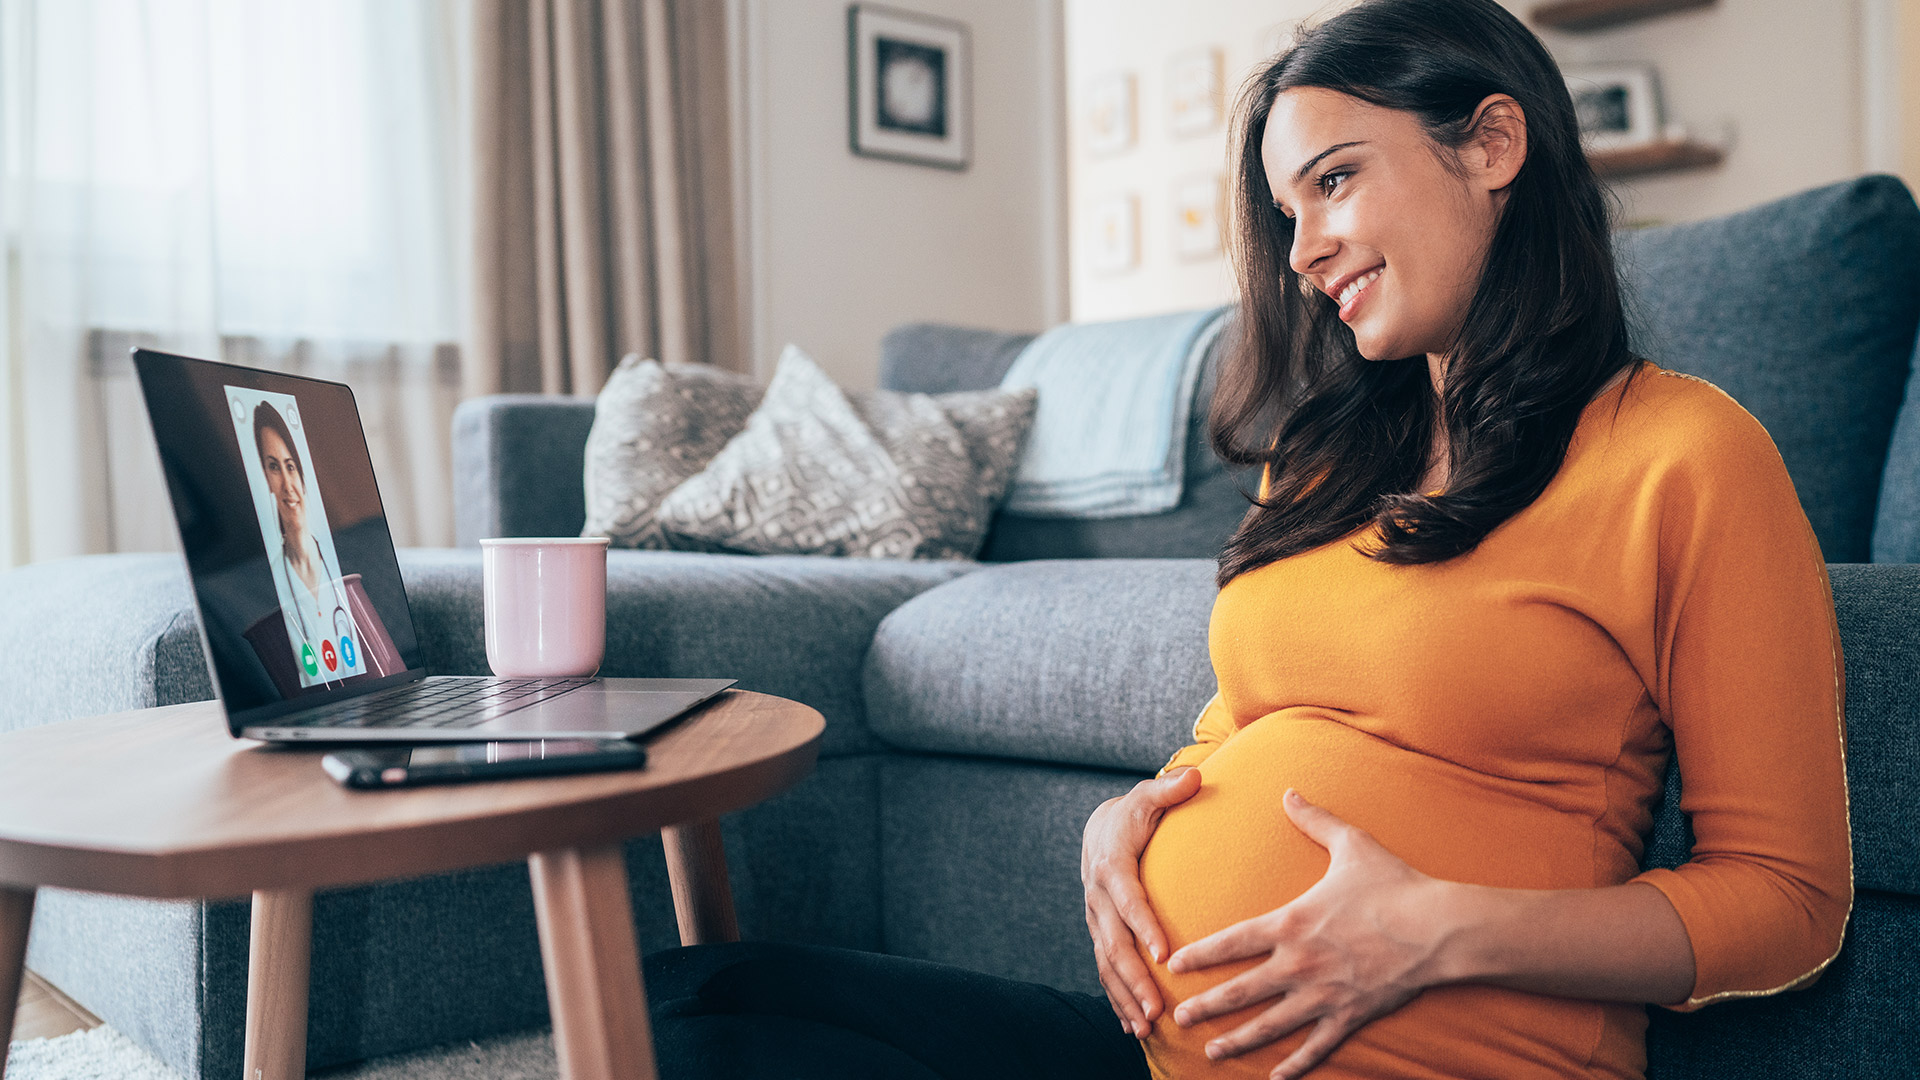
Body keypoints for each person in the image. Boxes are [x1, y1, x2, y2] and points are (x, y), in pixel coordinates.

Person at [642, 1, 1851, 1077]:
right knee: (692, 1003)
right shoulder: (1327, 458)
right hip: (1178, 1050)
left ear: (1491, 143)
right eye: (1285, 209)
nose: (1302, 248)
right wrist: (1138, 810)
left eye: (1333, 180)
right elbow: (1255, 721)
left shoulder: (1685, 453)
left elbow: (1790, 904)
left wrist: (1438, 928)